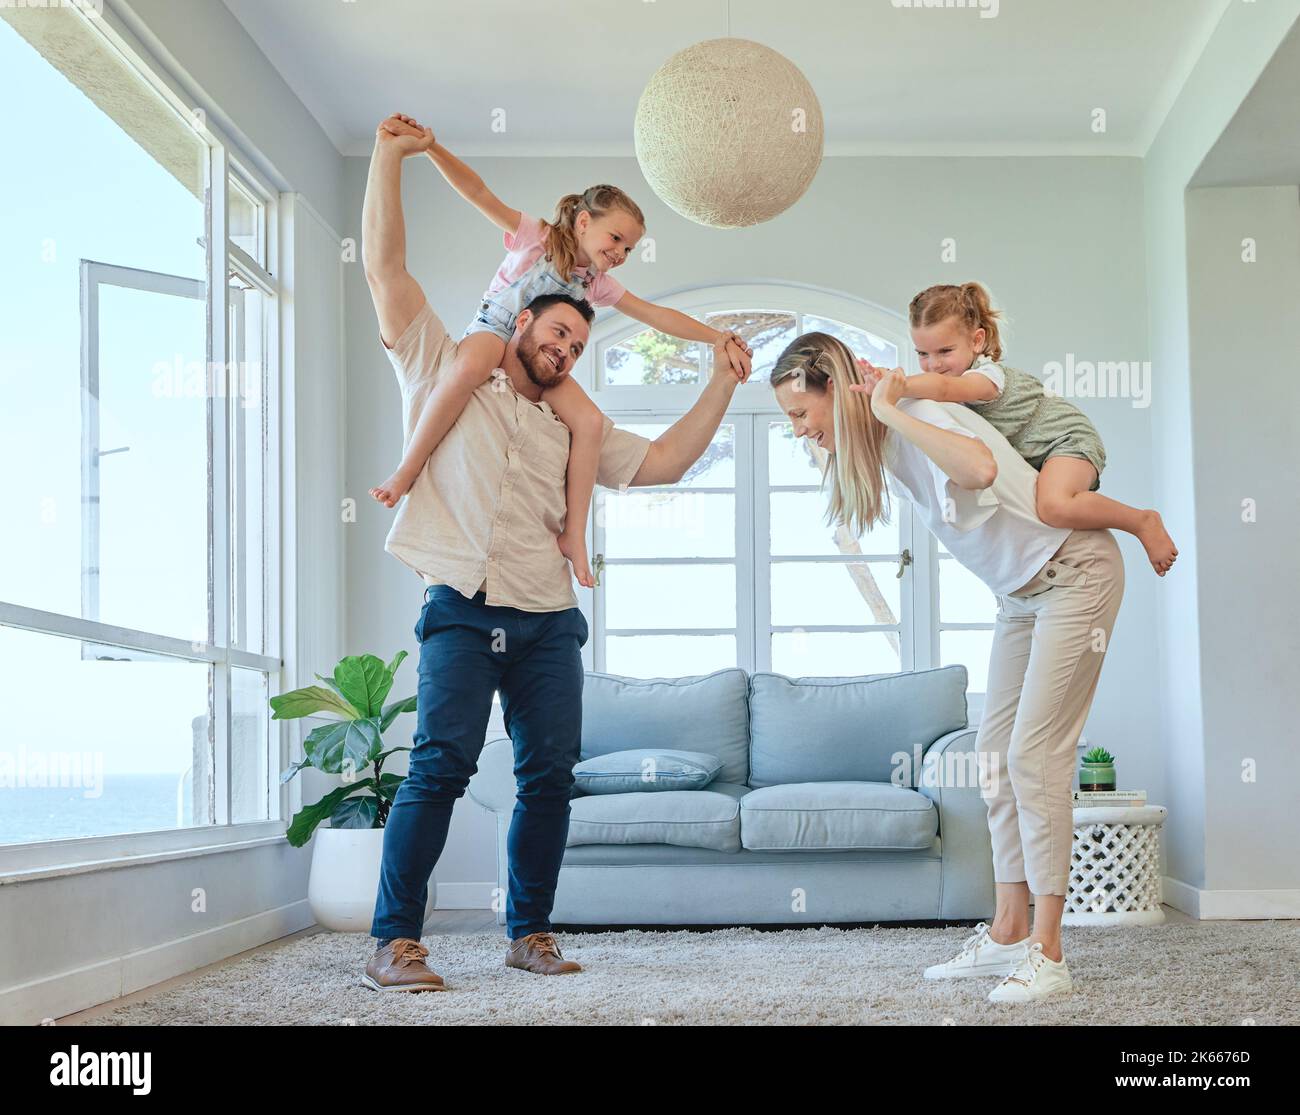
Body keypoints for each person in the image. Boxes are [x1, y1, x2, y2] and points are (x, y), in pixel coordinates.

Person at [359, 113, 752, 991]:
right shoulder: (445, 365)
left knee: (548, 778)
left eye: (577, 344)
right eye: (555, 332)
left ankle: (528, 931)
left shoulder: (577, 425)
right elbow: (386, 270)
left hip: (546, 619)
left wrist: (719, 381)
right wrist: (388, 157)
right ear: (524, 317)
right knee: (441, 766)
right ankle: (395, 941)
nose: (564, 345)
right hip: (461, 606)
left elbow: (662, 464)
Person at [771, 332, 1125, 1004]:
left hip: (1076, 571)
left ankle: (1049, 952)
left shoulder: (911, 412)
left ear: (830, 391)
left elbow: (980, 469)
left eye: (799, 413)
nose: (799, 430)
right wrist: (872, 417)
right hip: (1022, 593)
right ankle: (1009, 930)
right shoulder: (882, 432)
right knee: (994, 757)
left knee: (1035, 755)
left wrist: (887, 407)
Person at [367, 113, 752, 589]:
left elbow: (654, 314)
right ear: (584, 221)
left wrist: (715, 337)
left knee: (588, 423)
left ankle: (574, 535)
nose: (621, 253)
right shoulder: (539, 238)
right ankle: (408, 469)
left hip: (540, 368)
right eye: (616, 239)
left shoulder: (597, 285)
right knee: (465, 373)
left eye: (630, 249)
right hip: (495, 328)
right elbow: (479, 193)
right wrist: (431, 149)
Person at [848, 282, 1176, 575]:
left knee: (1053, 505)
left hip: (1064, 439)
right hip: (1037, 453)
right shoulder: (950, 384)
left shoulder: (986, 377)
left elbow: (944, 389)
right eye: (922, 353)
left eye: (945, 351)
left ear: (977, 341)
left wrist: (894, 384)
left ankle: (1140, 521)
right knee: (1042, 503)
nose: (934, 364)